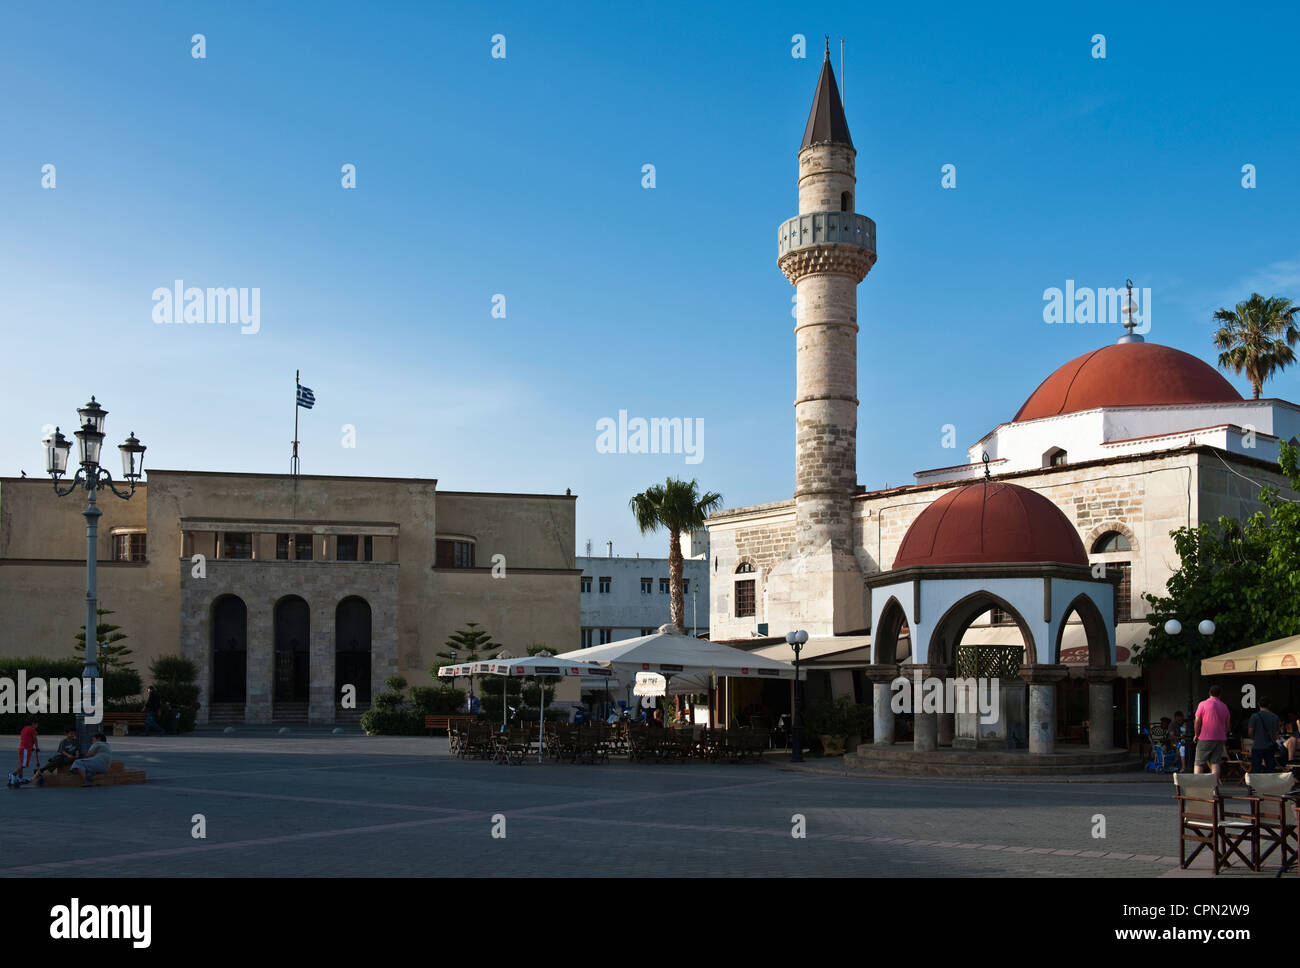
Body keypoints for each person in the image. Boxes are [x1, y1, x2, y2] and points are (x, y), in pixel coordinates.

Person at [1194, 684, 1232, 780]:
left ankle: (1197, 786)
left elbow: (1197, 721)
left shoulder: (1202, 704)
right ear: (1220, 695)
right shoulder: (1224, 706)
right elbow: (1228, 725)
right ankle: (1214, 788)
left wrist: (1196, 734)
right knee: (1215, 763)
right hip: (1220, 738)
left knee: (1199, 763)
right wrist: (1225, 733)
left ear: (1209, 693)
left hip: (1205, 737)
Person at [1247, 697, 1281, 773]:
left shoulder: (1254, 716)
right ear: (1269, 705)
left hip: (1257, 745)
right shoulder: (1275, 717)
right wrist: (1272, 740)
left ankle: (1256, 784)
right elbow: (1277, 733)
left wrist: (1254, 738)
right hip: (1270, 745)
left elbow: (1250, 731)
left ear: (1258, 704)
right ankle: (1269, 783)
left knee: (1256, 767)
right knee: (1270, 768)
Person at [8, 718, 39, 788]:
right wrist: (37, 748)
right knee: (23, 765)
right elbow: (35, 738)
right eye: (37, 724)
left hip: (22, 748)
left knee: (22, 764)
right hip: (25, 749)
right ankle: (12, 775)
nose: (37, 726)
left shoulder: (24, 729)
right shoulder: (32, 729)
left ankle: (20, 778)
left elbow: (26, 739)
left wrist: (31, 747)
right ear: (33, 723)